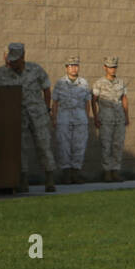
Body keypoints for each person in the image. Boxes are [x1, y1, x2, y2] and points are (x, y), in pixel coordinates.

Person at [0, 43, 57, 193]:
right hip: (17, 116)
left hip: (38, 114)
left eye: (15, 60)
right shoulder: (1, 74)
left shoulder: (36, 70)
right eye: (10, 60)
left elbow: (46, 88)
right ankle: (23, 180)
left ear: (23, 57)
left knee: (43, 145)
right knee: (20, 148)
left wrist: (47, 109)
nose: (12, 63)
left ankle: (49, 178)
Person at [51, 56, 93, 184]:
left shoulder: (84, 83)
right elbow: (55, 102)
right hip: (64, 117)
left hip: (80, 118)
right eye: (71, 66)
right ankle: (66, 175)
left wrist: (86, 117)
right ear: (66, 68)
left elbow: (87, 102)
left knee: (79, 146)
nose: (74, 68)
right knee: (64, 146)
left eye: (76, 65)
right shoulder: (60, 83)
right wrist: (54, 118)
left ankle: (76, 174)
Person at [92, 57, 128, 182]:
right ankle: (107, 172)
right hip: (105, 118)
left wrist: (126, 115)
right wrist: (95, 116)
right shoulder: (99, 83)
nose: (112, 69)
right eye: (110, 67)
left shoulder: (120, 82)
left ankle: (115, 171)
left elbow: (124, 98)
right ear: (105, 67)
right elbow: (94, 100)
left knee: (118, 145)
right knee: (106, 145)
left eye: (114, 67)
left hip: (119, 118)